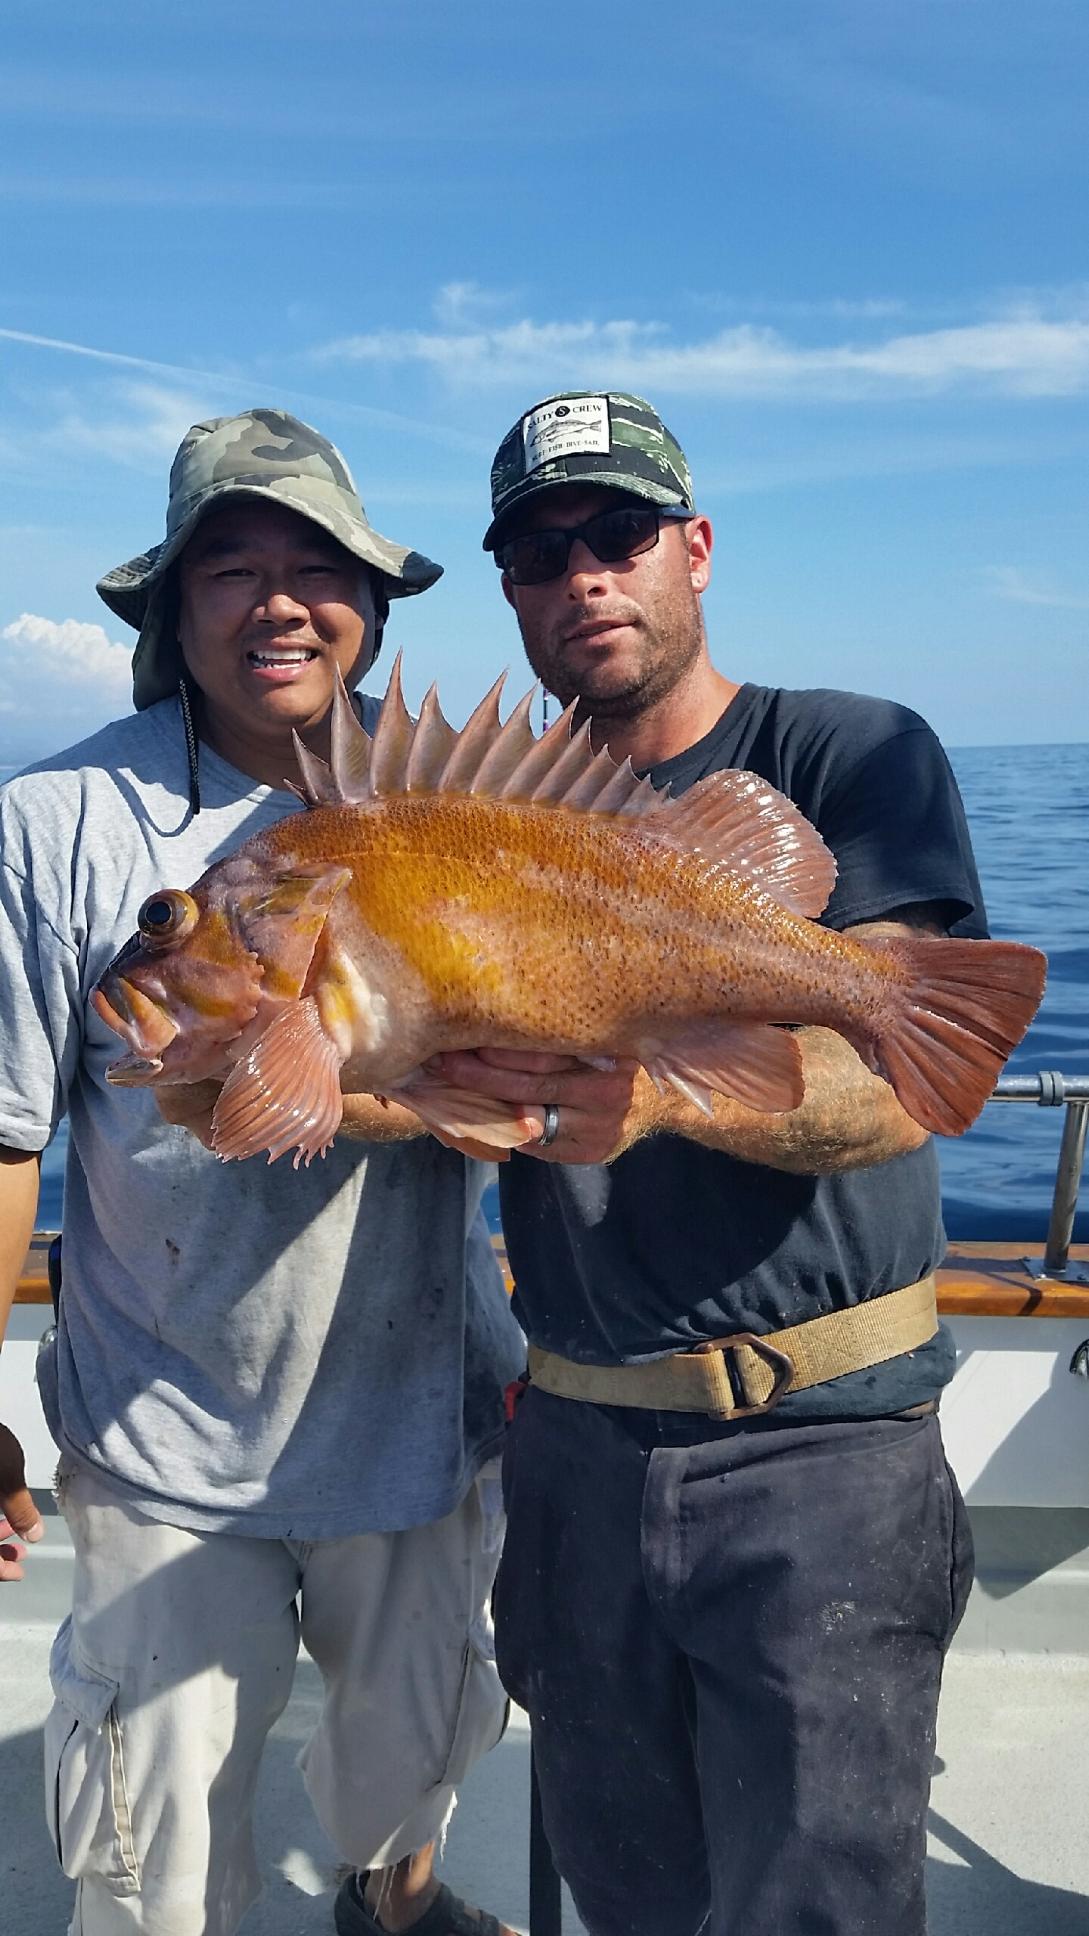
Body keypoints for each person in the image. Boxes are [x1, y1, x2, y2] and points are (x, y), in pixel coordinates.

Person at [430, 390, 982, 1936]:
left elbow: (899, 1086)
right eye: (537, 553)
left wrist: (655, 1092)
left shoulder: (847, 748)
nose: (581, 577)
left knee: (815, 1906)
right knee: (628, 1896)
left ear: (696, 547)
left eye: (617, 533)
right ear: (509, 590)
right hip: (575, 1451)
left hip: (822, 1454)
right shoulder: (478, 822)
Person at [0, 409, 528, 1936]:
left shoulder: (464, 822)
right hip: (159, 1439)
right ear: (171, 613)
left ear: (371, 605)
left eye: (319, 569)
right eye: (229, 569)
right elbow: (9, 1134)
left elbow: (548, 1087)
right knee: (151, 1869)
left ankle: (396, 1905)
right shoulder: (54, 826)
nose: (279, 603)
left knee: (408, 1776)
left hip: (420, 1424)